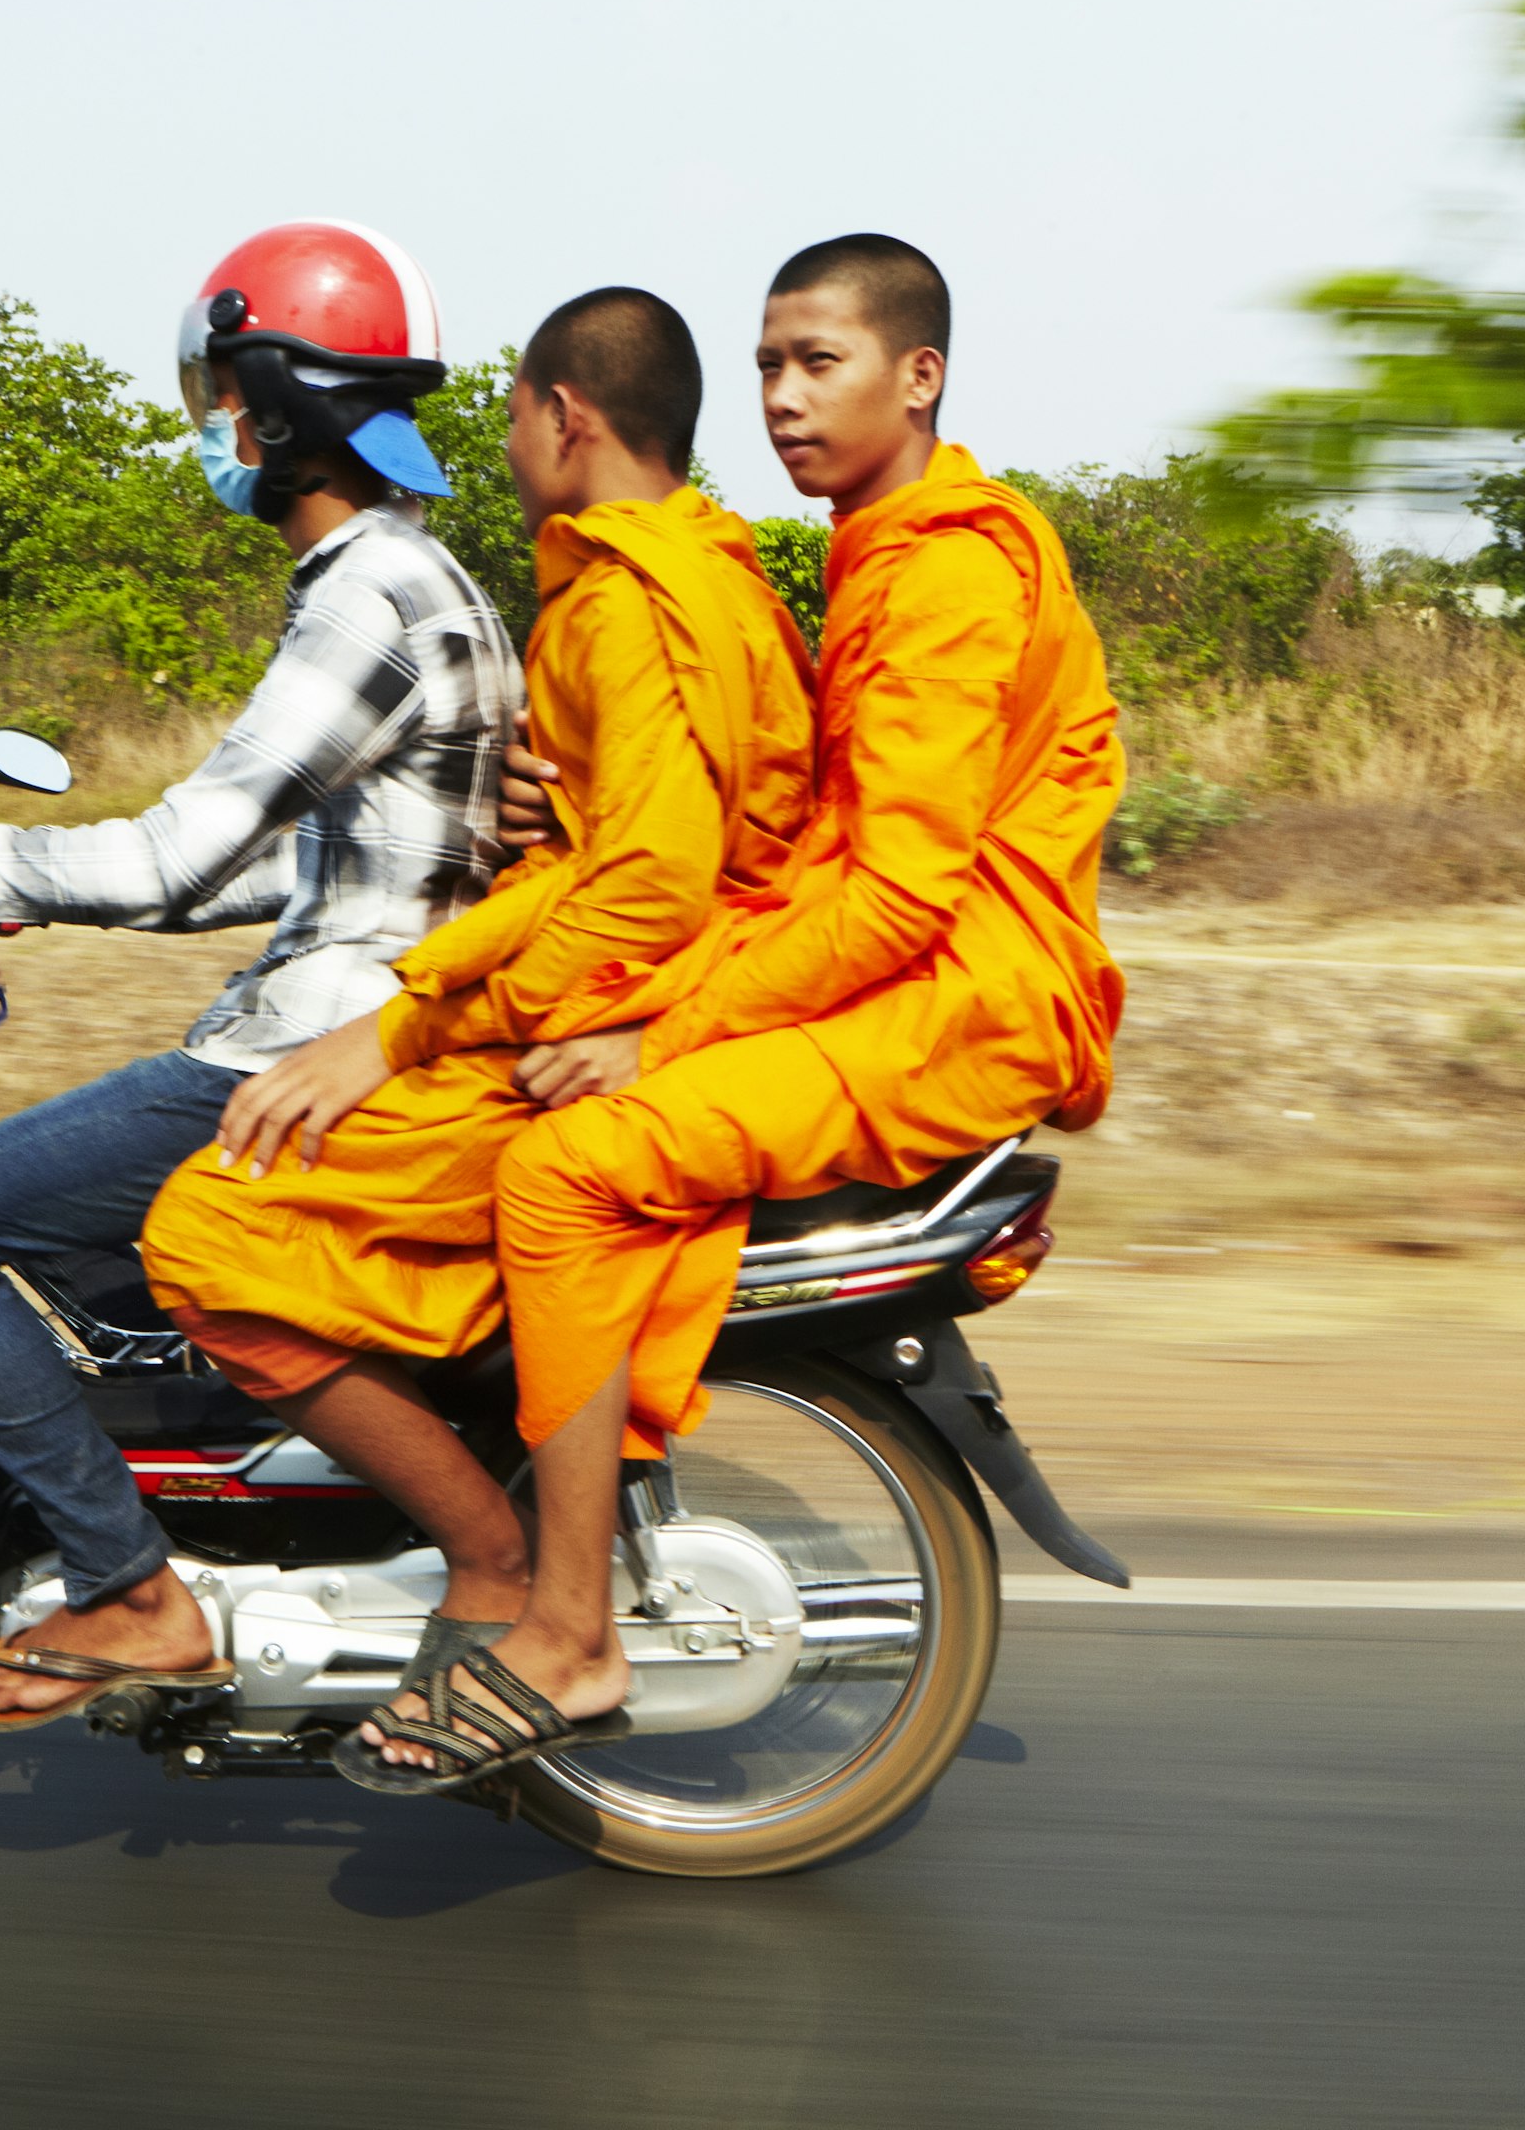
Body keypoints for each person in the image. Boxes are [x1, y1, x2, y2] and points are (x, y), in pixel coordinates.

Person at [345, 232, 1126, 1788]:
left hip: (963, 1001)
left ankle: (566, 1628)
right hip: (878, 967)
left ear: (922, 375)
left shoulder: (954, 565)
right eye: (767, 363)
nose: (779, 396)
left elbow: (899, 894)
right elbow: (813, 827)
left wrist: (662, 1031)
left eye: (816, 361)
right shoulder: (871, 547)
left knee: (569, 1166)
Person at [0, 219, 521, 1732]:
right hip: (388, 1020)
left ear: (278, 402)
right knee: (95, 1271)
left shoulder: (369, 593)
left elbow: (171, 854)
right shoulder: (422, 579)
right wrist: (25, 898)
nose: (213, 424)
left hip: (331, 1044)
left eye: (225, 392)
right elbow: (281, 873)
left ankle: (132, 1589)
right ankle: (197, 1529)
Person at [131, 288, 812, 1768]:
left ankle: (494, 1569)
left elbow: (645, 886)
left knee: (207, 1236)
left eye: (509, 415)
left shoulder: (633, 598)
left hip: (602, 1017)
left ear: (566, 415)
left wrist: (399, 1032)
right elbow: (616, 839)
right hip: (613, 989)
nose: (499, 448)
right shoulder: (693, 575)